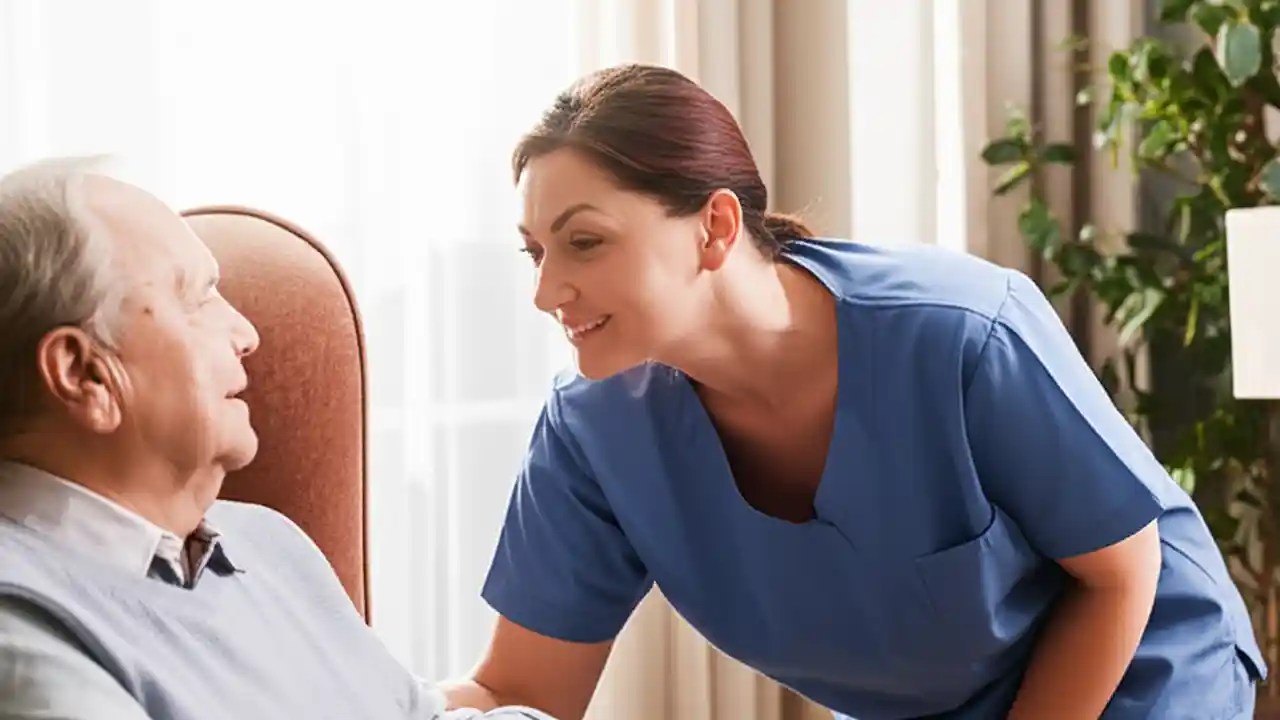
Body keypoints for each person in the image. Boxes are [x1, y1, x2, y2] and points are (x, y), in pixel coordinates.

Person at [440, 64, 1266, 720]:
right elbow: (525, 697)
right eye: (535, 253)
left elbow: (1122, 576)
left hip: (1138, 673)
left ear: (716, 227)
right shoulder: (593, 433)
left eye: (584, 242)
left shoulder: (961, 334)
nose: (548, 293)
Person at [0, 158, 553, 720]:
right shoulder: (20, 625)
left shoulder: (266, 542)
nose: (246, 334)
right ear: (83, 374)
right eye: (196, 298)